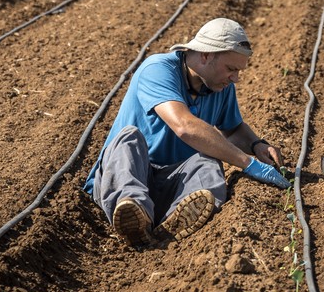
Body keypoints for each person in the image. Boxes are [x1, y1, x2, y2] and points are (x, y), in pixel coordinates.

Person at [84, 18, 290, 247]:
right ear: (205, 55)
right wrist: (247, 163)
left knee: (209, 162)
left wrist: (255, 144)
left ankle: (166, 228)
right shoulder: (157, 69)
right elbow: (184, 126)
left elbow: (232, 129)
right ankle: (132, 209)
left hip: (169, 181)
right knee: (128, 139)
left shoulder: (220, 86)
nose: (235, 79)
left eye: (238, 71)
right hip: (130, 174)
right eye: (231, 69)